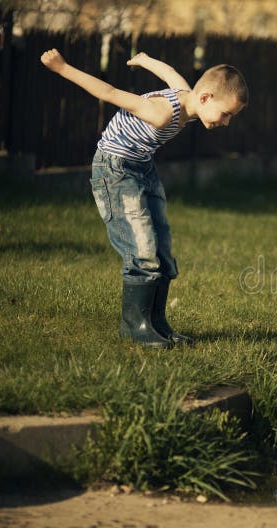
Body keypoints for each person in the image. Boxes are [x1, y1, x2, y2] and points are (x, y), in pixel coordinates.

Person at [40, 49, 248, 348]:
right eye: (226, 114)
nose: (226, 122)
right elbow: (109, 92)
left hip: (143, 167)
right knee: (142, 248)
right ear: (205, 98)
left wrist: (145, 60)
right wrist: (62, 68)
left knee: (162, 249)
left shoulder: (188, 96)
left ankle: (156, 323)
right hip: (116, 169)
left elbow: (170, 74)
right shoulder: (161, 111)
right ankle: (134, 326)